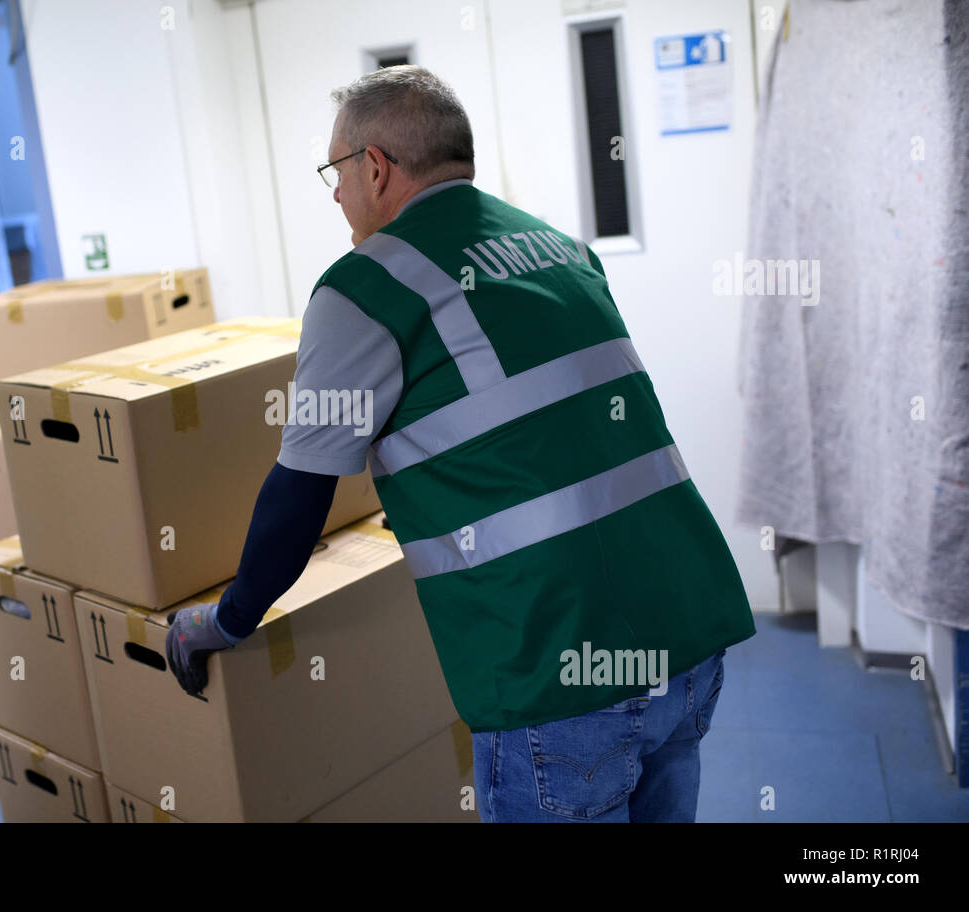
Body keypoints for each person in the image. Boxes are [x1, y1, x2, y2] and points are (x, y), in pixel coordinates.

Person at [166, 65, 755, 822]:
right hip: (687, 633)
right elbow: (545, 426)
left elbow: (299, 496)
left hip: (562, 674)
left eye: (335, 173)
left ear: (372, 167)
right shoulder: (561, 250)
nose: (337, 196)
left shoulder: (363, 288)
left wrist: (226, 620)